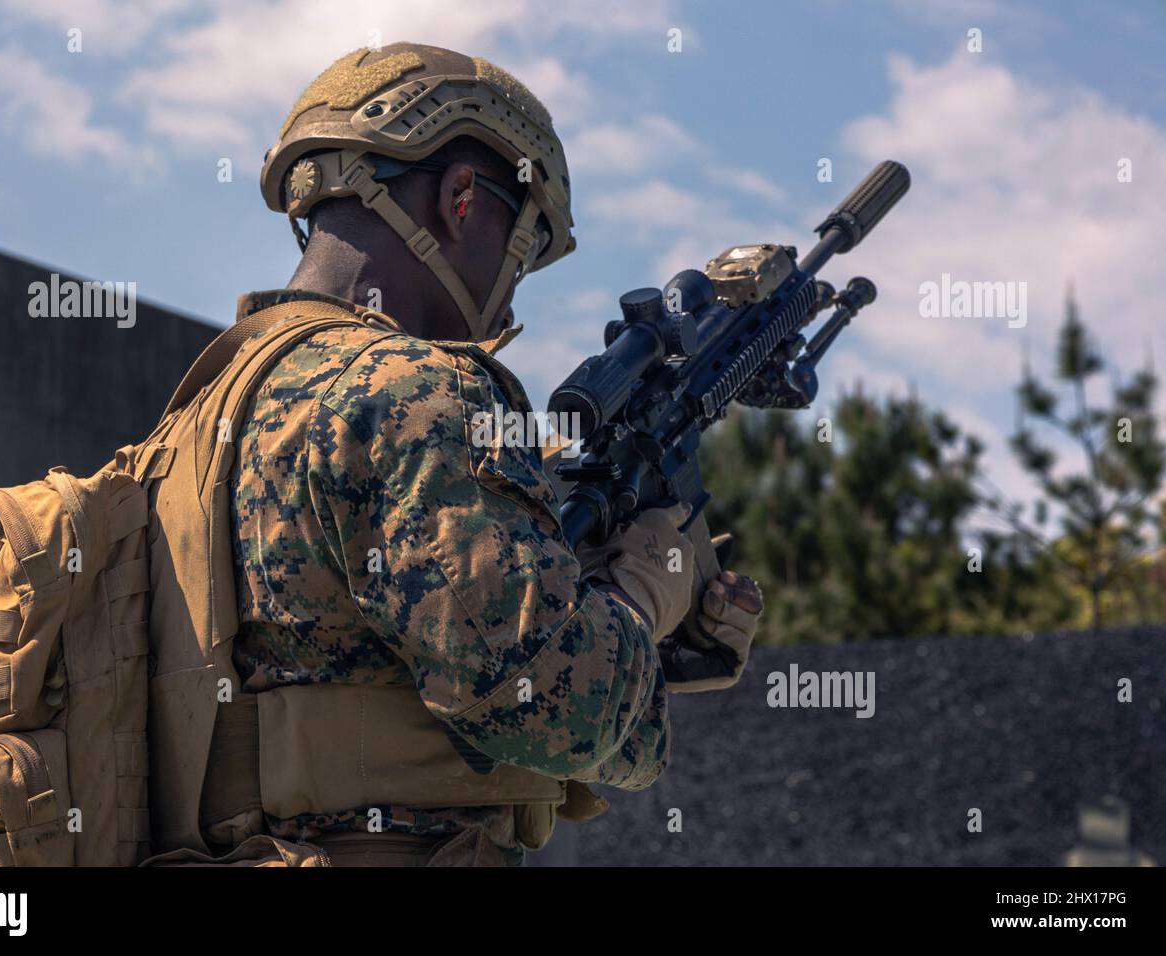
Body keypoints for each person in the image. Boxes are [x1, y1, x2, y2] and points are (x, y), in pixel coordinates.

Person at [221, 42, 762, 866]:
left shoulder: (208, 408)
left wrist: (602, 605)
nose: (513, 290)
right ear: (463, 199)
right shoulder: (416, 391)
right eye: (524, 242)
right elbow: (563, 713)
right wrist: (646, 592)